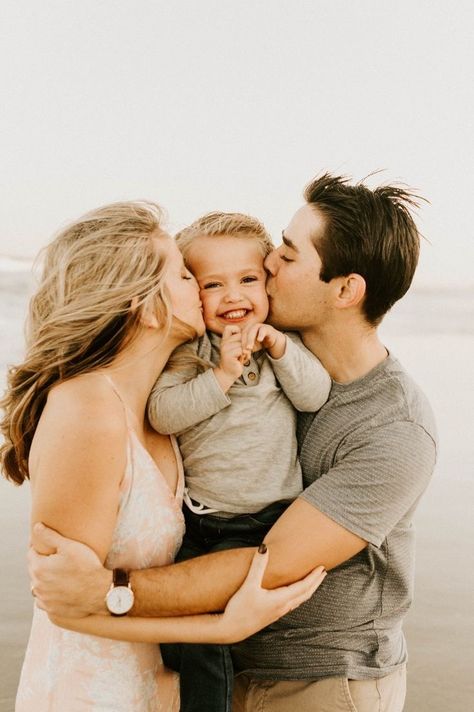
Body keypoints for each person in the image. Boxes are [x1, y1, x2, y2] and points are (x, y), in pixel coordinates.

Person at [28, 173, 438, 712]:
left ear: (345, 290)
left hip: (316, 680)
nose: (268, 265)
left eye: (286, 256)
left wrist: (110, 587)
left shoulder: (394, 428)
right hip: (203, 661)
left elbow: (274, 561)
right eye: (196, 278)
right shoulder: (140, 390)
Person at [0, 200, 327, 712]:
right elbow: (66, 605)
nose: (204, 288)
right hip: (87, 694)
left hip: (148, 687)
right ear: (142, 302)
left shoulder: (152, 401)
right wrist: (226, 625)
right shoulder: (88, 410)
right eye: (185, 274)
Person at [148, 212, 331, 712]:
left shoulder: (280, 347)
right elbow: (163, 414)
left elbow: (315, 395)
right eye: (213, 284)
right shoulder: (189, 355)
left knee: (205, 635)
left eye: (248, 279)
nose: (233, 296)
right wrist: (222, 376)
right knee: (172, 634)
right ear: (192, 293)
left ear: (267, 285)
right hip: (199, 520)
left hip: (261, 521)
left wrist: (279, 349)